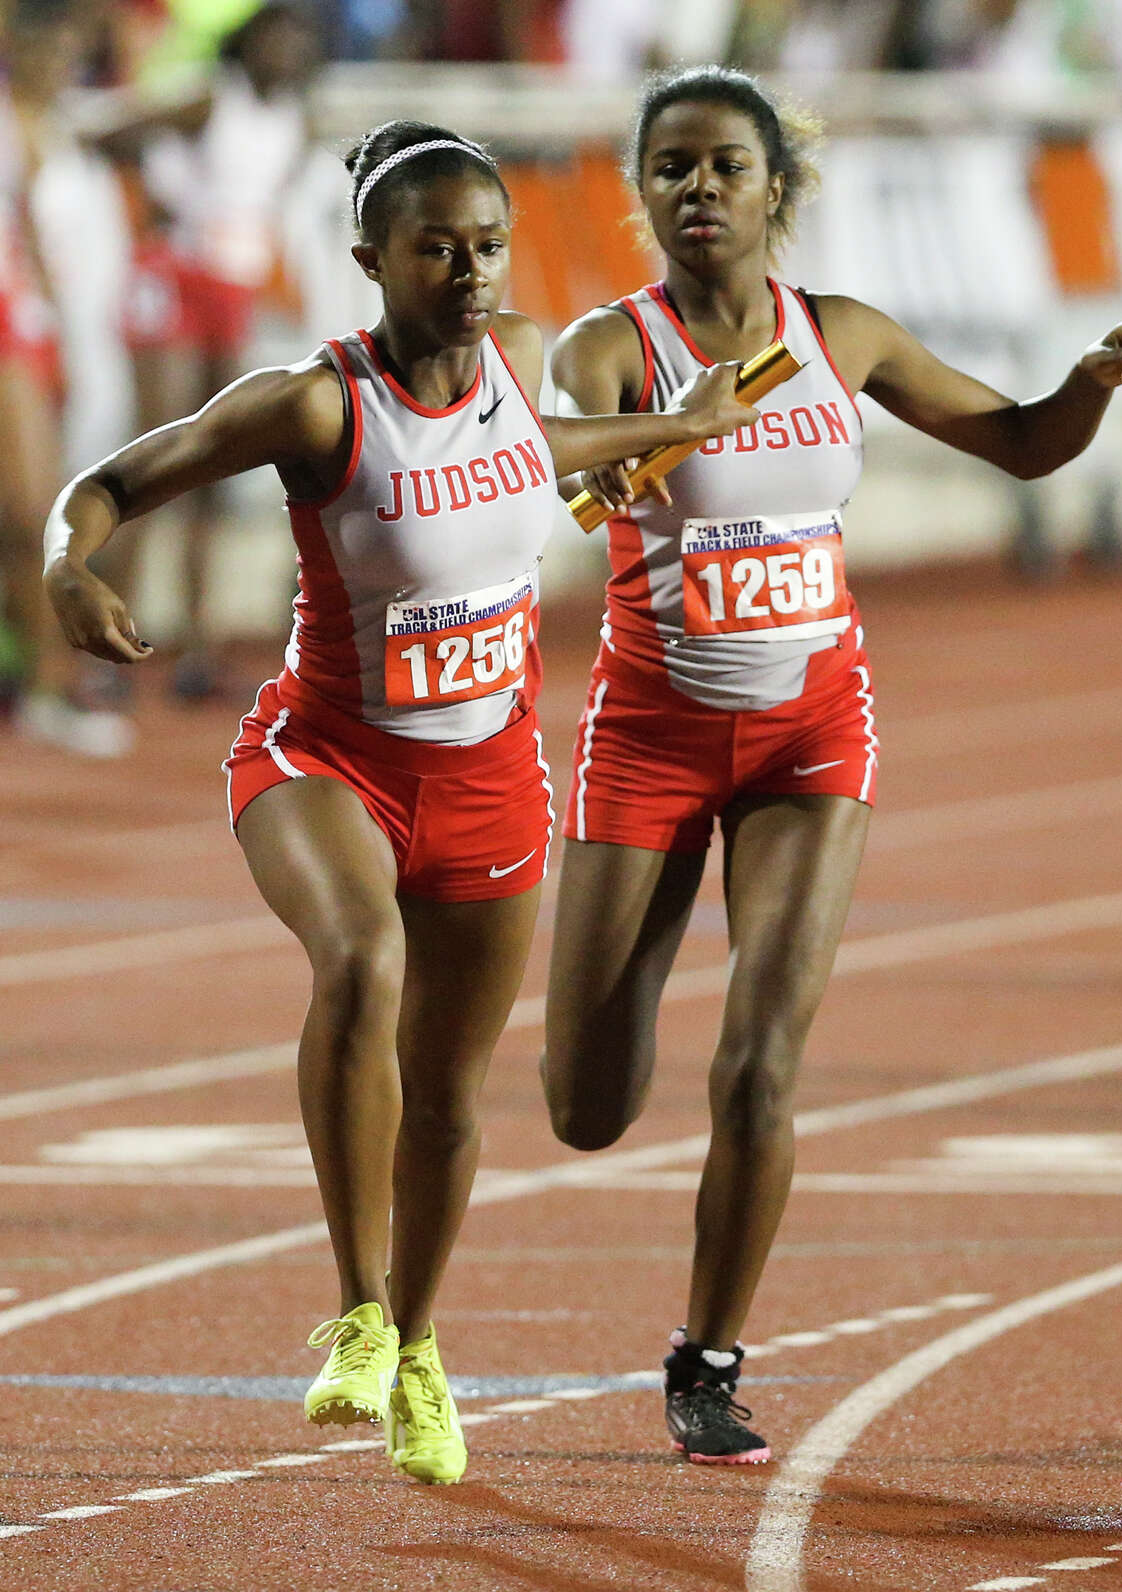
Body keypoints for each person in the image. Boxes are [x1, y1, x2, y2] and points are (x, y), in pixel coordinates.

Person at [42, 118, 755, 1485]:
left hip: (486, 777)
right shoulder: (317, 403)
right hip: (328, 757)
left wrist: (687, 419)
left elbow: (542, 443)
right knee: (361, 962)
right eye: (438, 247)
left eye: (488, 244)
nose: (472, 269)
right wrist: (74, 568)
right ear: (371, 258)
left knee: (445, 1096)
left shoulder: (500, 370)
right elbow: (115, 479)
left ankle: (420, 1345)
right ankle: (362, 1311)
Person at [540, 64, 1122, 1466]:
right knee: (583, 1104)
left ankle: (706, 1359)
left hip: (811, 732)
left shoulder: (843, 336)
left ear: (778, 188)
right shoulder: (611, 345)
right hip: (648, 734)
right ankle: (624, 997)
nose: (696, 191)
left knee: (762, 1062)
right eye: (670, 169)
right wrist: (679, 429)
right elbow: (561, 470)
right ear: (642, 191)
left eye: (724, 167)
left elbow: (1017, 445)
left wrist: (1089, 382)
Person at [104, 0, 322, 700]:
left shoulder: (295, 121)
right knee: (154, 462)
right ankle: (103, 648)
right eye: (273, 40)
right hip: (177, 277)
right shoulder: (210, 101)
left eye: (295, 43)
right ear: (246, 45)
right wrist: (162, 197)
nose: (284, 54)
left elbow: (267, 206)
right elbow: (114, 133)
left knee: (213, 467)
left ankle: (195, 648)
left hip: (233, 290)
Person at [0, 0, 132, 756]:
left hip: (16, 325)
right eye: (39, 53)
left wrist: (60, 341)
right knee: (23, 513)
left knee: (33, 513)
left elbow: (24, 234)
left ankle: (49, 686)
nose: (55, 68)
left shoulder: (36, 134)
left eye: (64, 56)